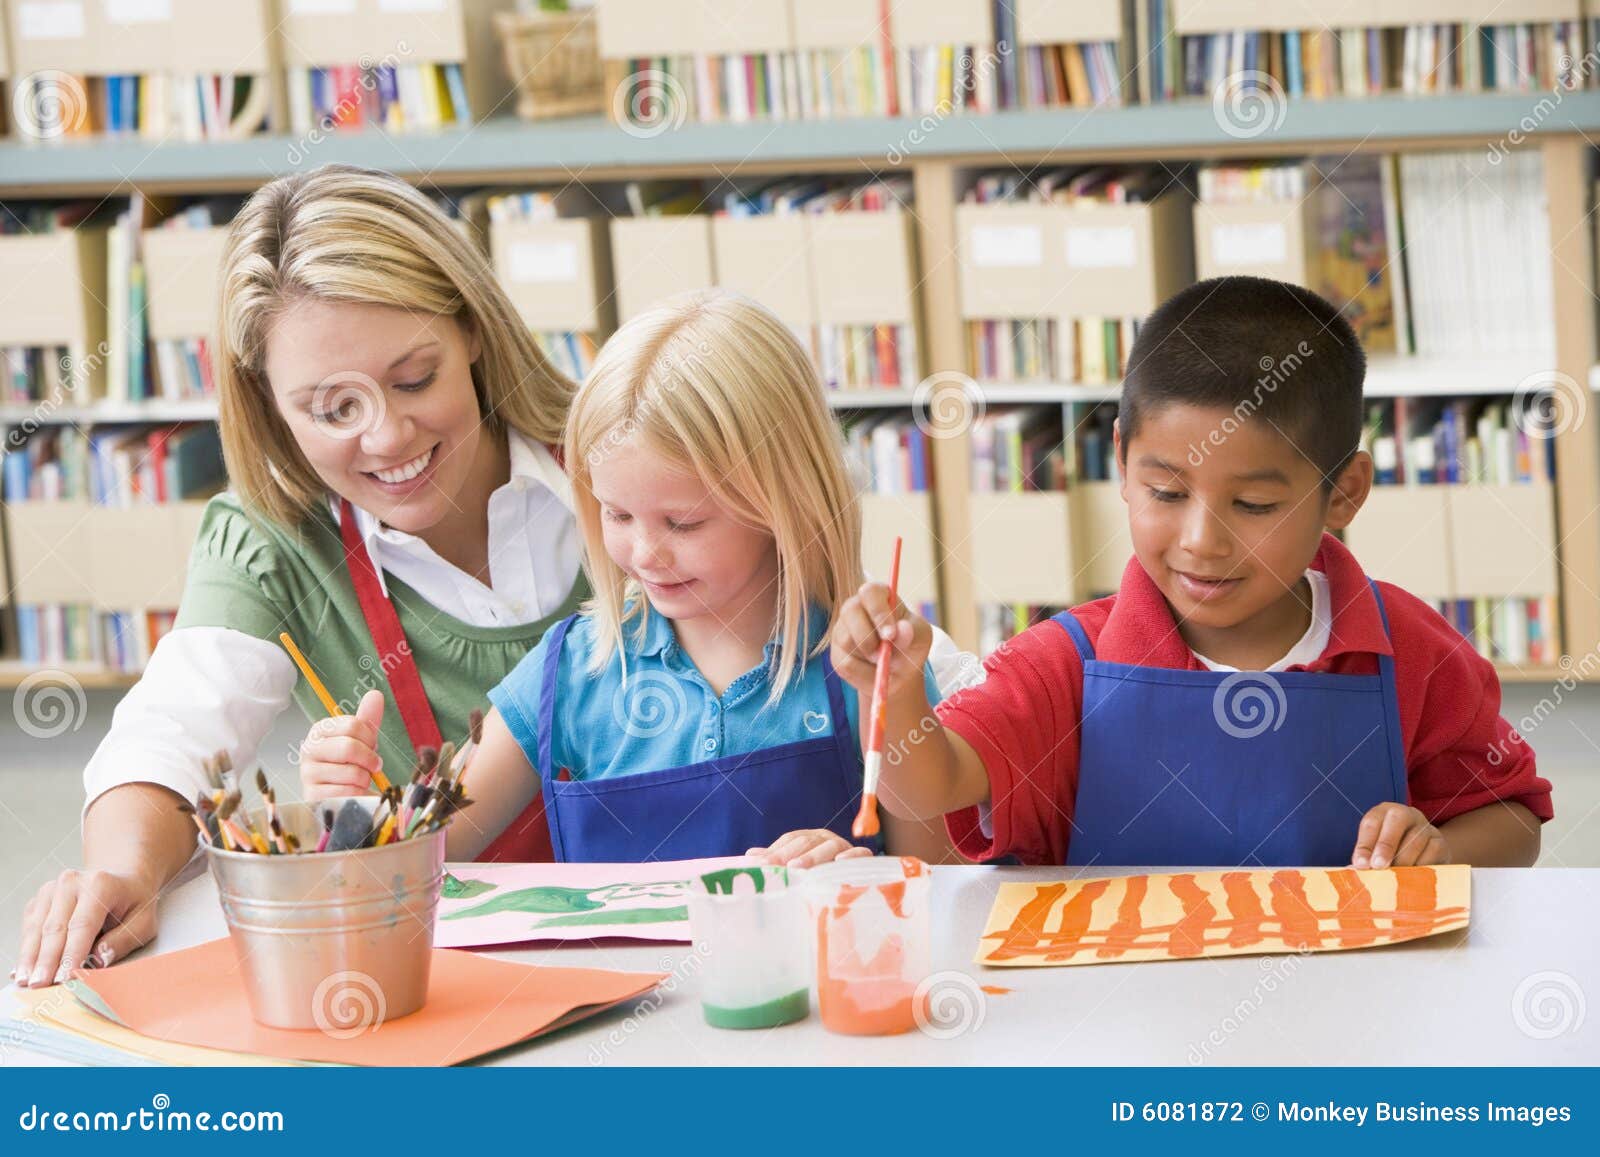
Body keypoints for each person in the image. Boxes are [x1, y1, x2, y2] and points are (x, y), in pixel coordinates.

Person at [14, 164, 581, 988]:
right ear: (270, 404)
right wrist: (124, 871)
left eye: (413, 378)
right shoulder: (270, 538)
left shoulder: (618, 461)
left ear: (472, 329)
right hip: (464, 980)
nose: (387, 436)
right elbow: (168, 735)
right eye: (332, 408)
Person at [832, 276, 1551, 868]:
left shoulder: (1410, 649)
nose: (1203, 542)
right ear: (1121, 461)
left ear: (1344, 492)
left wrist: (1439, 854)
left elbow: (1514, 820)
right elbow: (928, 788)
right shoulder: (1064, 663)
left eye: (1255, 505)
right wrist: (892, 694)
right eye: (1167, 493)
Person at [304, 290, 976, 865]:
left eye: (683, 522)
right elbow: (420, 852)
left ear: (787, 501)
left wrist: (861, 874)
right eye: (617, 514)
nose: (646, 553)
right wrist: (347, 805)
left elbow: (939, 882)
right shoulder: (572, 670)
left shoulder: (864, 674)